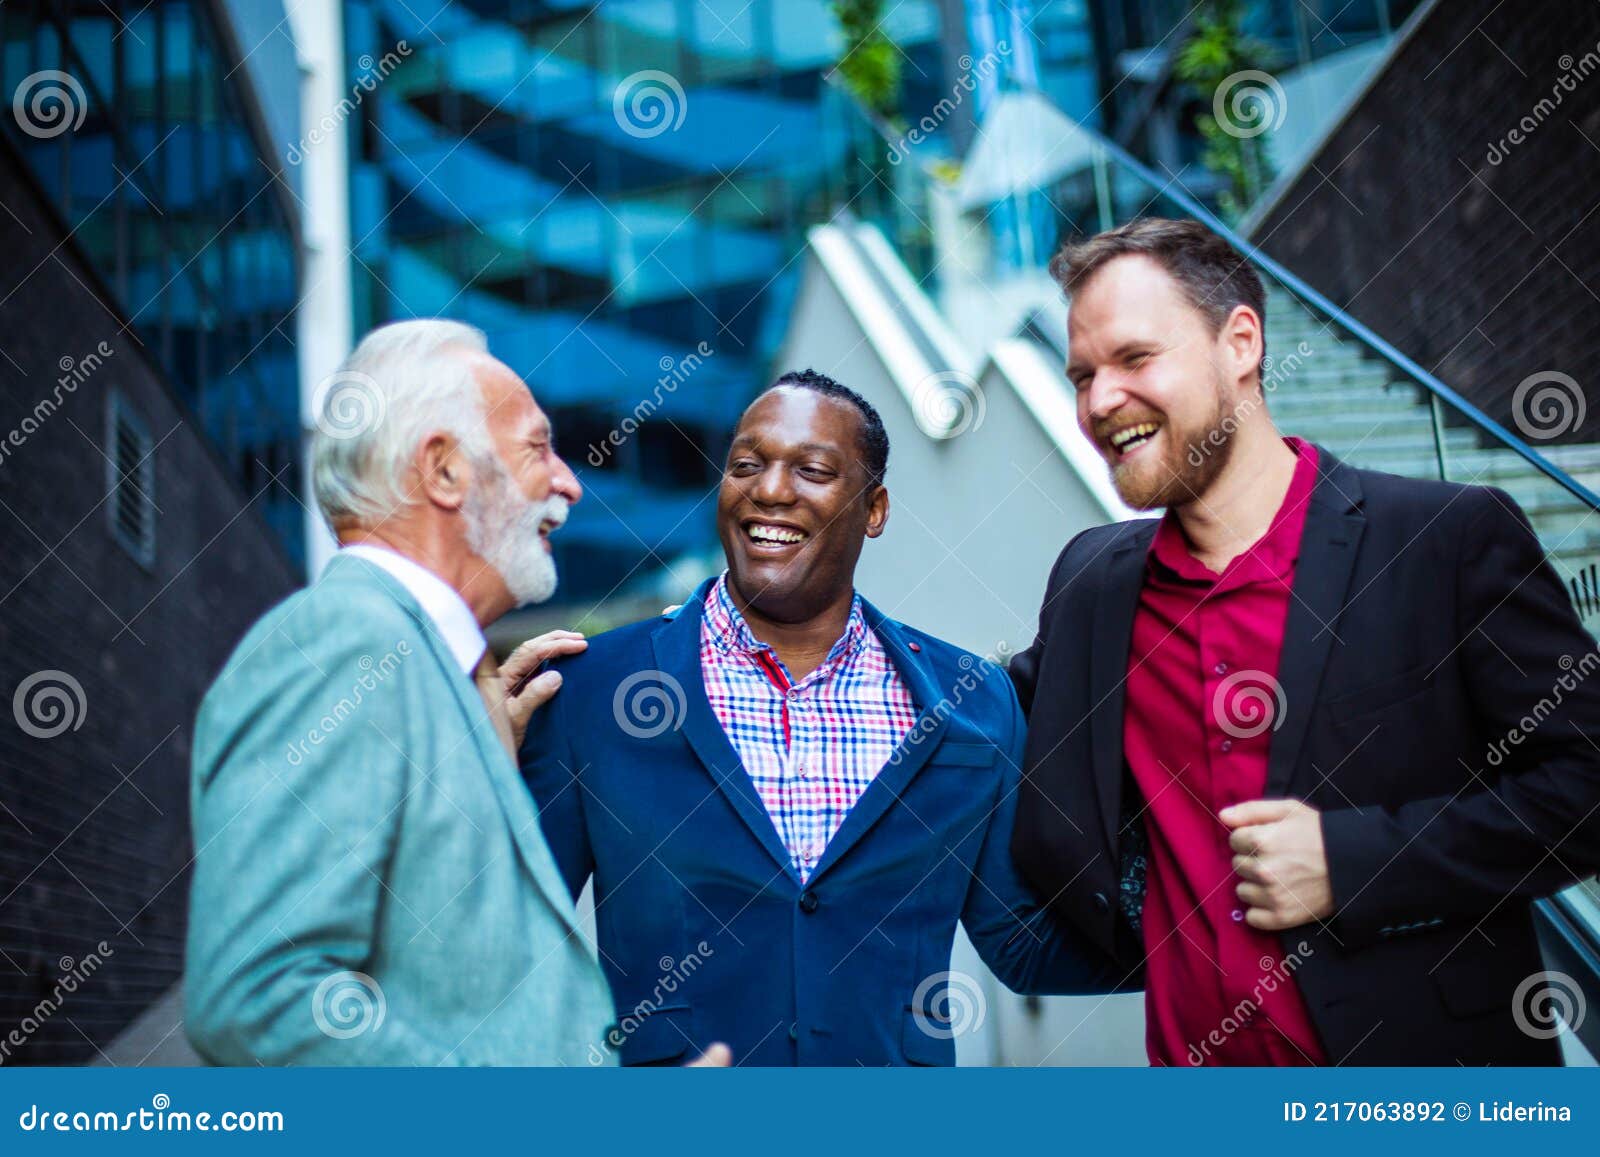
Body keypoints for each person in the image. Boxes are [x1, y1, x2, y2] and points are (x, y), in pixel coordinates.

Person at [1008, 217, 1600, 1066]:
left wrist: (1353, 860)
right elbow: (985, 716)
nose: (1099, 402)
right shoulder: (1091, 585)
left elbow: (1585, 781)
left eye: (1134, 358)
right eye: (1082, 376)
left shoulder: (1443, 542)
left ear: (1241, 343)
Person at [521, 370, 1120, 1066]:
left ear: (874, 509)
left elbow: (1022, 942)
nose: (771, 490)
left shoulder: (974, 702)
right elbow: (509, 944)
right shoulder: (590, 690)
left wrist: (1211, 923)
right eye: (746, 465)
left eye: (812, 470)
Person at [186, 320, 633, 1065]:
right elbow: (255, 996)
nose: (569, 483)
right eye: (536, 448)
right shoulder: (347, 643)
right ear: (444, 471)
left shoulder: (423, 671)